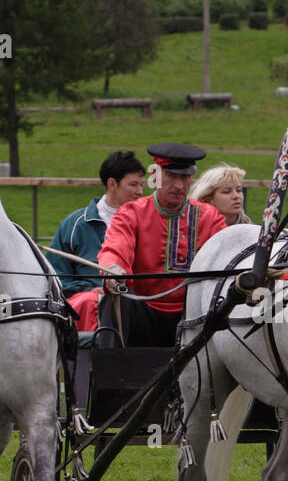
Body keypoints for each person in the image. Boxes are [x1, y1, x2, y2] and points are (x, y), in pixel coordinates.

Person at [97, 143, 227, 347]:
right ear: (156, 176)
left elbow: (225, 257)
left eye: (184, 178)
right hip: (142, 309)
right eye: (171, 176)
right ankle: (111, 372)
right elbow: (115, 247)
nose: (178, 185)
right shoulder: (132, 213)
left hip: (193, 311)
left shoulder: (209, 217)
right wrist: (113, 270)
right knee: (116, 298)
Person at [47, 151, 146, 331]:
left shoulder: (149, 223)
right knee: (92, 302)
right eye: (133, 185)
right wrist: (89, 289)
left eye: (141, 185)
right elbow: (55, 275)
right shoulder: (75, 224)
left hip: (137, 305)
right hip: (87, 311)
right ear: (112, 184)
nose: (140, 192)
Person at [190, 162, 252, 226]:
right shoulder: (193, 231)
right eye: (227, 191)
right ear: (208, 200)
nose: (236, 196)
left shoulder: (254, 231)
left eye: (239, 190)